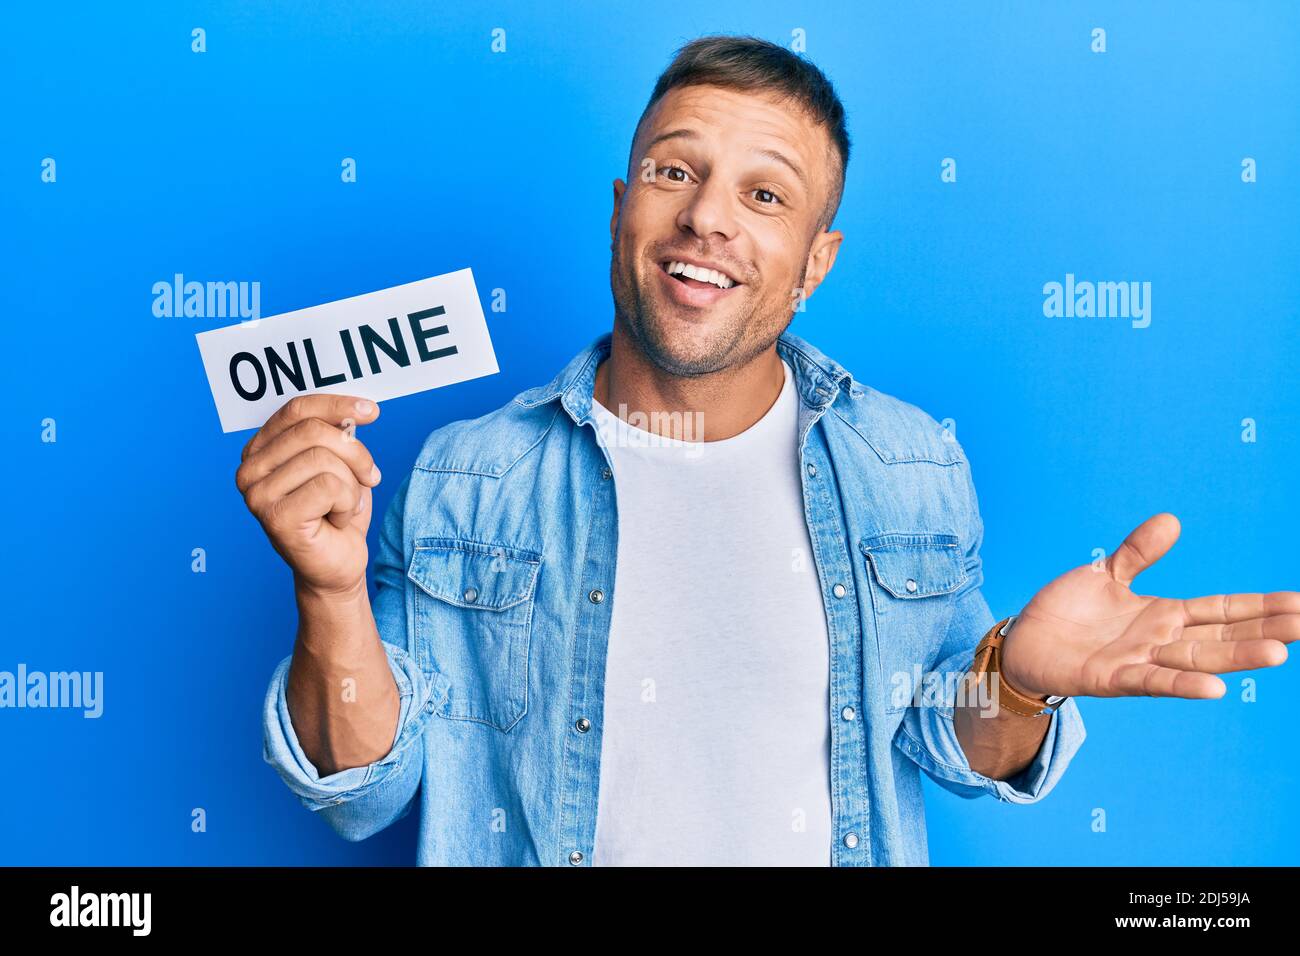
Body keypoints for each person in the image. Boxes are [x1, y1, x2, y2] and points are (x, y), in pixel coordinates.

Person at [239, 35, 1298, 866]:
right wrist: (326, 591)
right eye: (672, 170)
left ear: (813, 261)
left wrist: (1015, 684)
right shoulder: (467, 474)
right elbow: (361, 788)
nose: (707, 217)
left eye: (764, 194)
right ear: (622, 211)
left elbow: (947, 740)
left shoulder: (909, 461)